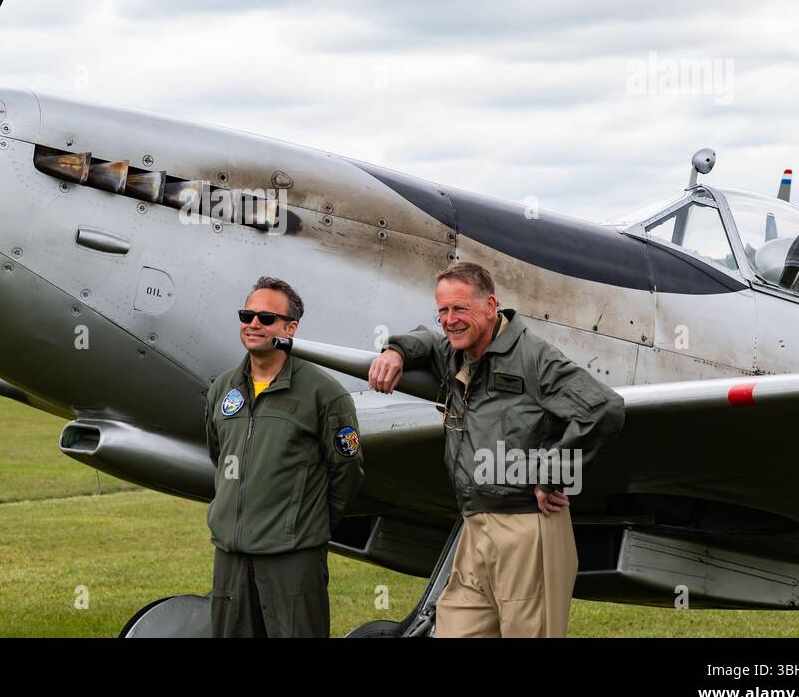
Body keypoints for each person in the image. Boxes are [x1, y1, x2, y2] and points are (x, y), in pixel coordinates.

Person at [367, 262, 624, 638]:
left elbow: (603, 409)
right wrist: (395, 352)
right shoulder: (458, 351)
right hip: (475, 524)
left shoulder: (533, 357)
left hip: (527, 528)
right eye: (443, 310)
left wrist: (549, 475)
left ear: (490, 306)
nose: (450, 320)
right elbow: (425, 340)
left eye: (460, 309)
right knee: (456, 629)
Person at [205, 276, 365, 638]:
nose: (253, 324)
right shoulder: (223, 388)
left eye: (266, 318)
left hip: (293, 557)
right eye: (247, 315)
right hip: (231, 555)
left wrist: (303, 524)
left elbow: (348, 471)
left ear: (290, 328)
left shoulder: (325, 393)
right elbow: (221, 455)